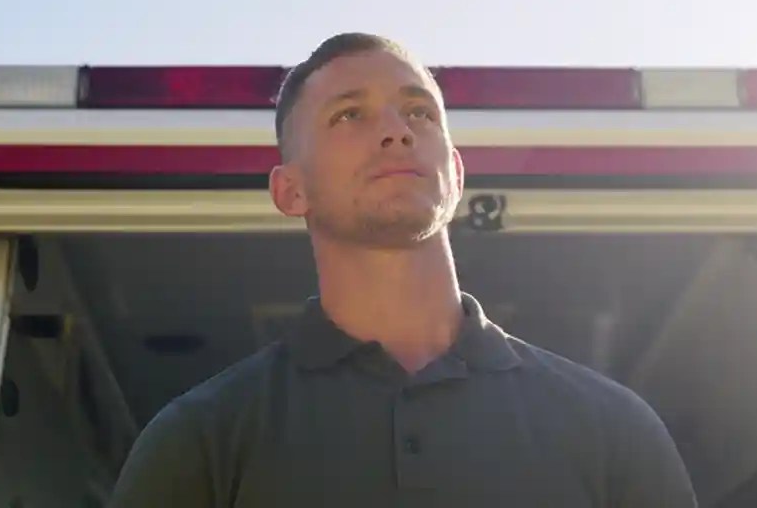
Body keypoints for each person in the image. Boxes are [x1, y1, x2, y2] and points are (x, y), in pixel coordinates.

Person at [108, 33, 697, 507]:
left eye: (419, 111)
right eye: (348, 116)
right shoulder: (202, 436)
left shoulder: (614, 428)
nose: (397, 129)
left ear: (457, 174)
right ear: (290, 190)